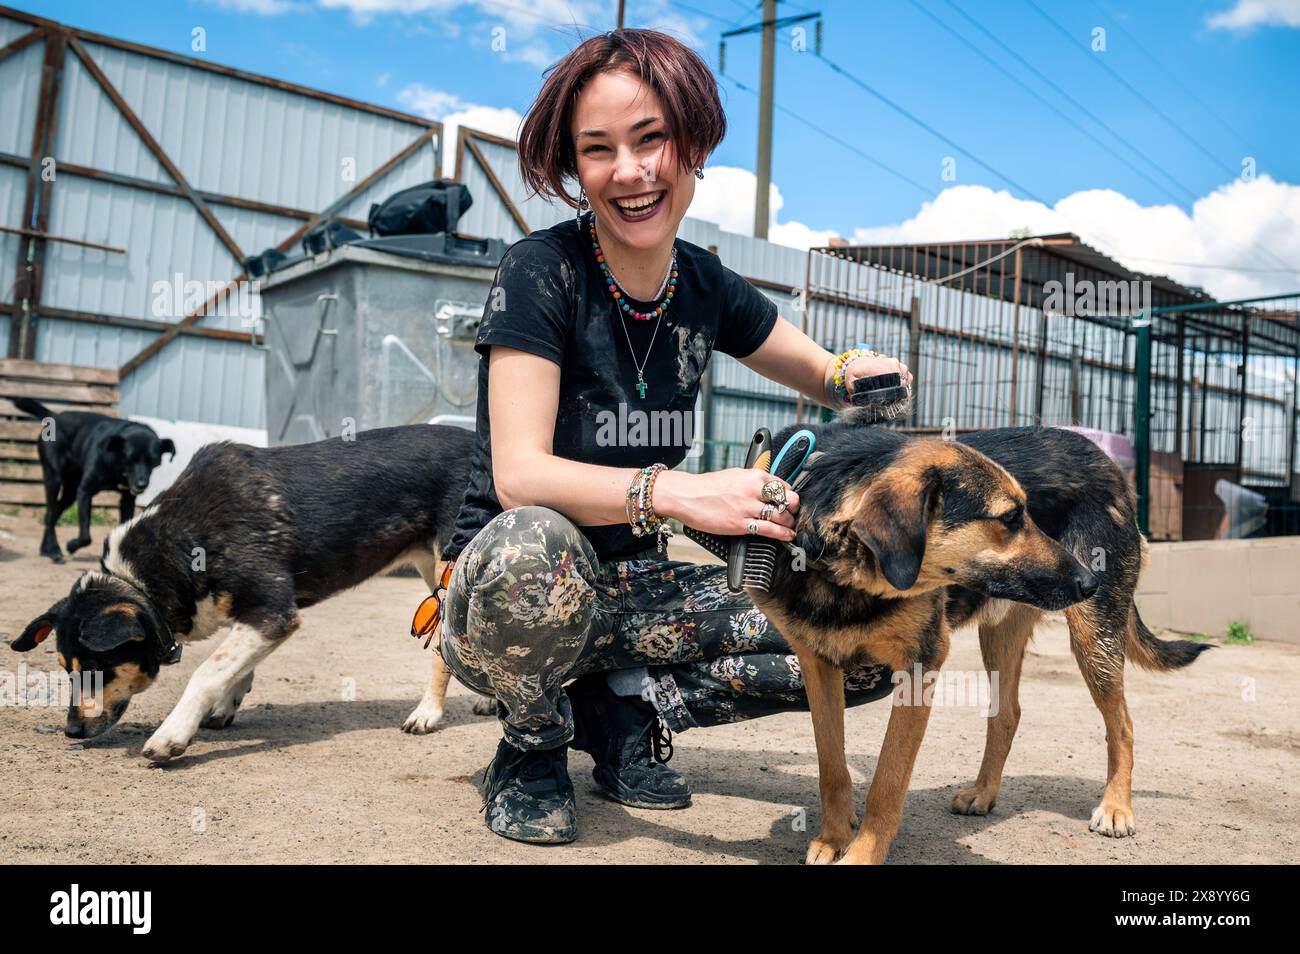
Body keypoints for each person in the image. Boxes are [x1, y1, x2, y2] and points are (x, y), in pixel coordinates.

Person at [434, 28, 915, 844]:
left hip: (634, 591)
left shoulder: (704, 283)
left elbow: (820, 371)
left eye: (651, 138)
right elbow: (518, 475)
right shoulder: (540, 273)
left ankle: (624, 711)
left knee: (864, 639)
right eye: (598, 150)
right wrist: (682, 493)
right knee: (532, 545)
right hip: (510, 596)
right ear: (573, 168)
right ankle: (533, 738)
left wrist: (857, 374)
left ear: (692, 142)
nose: (630, 171)